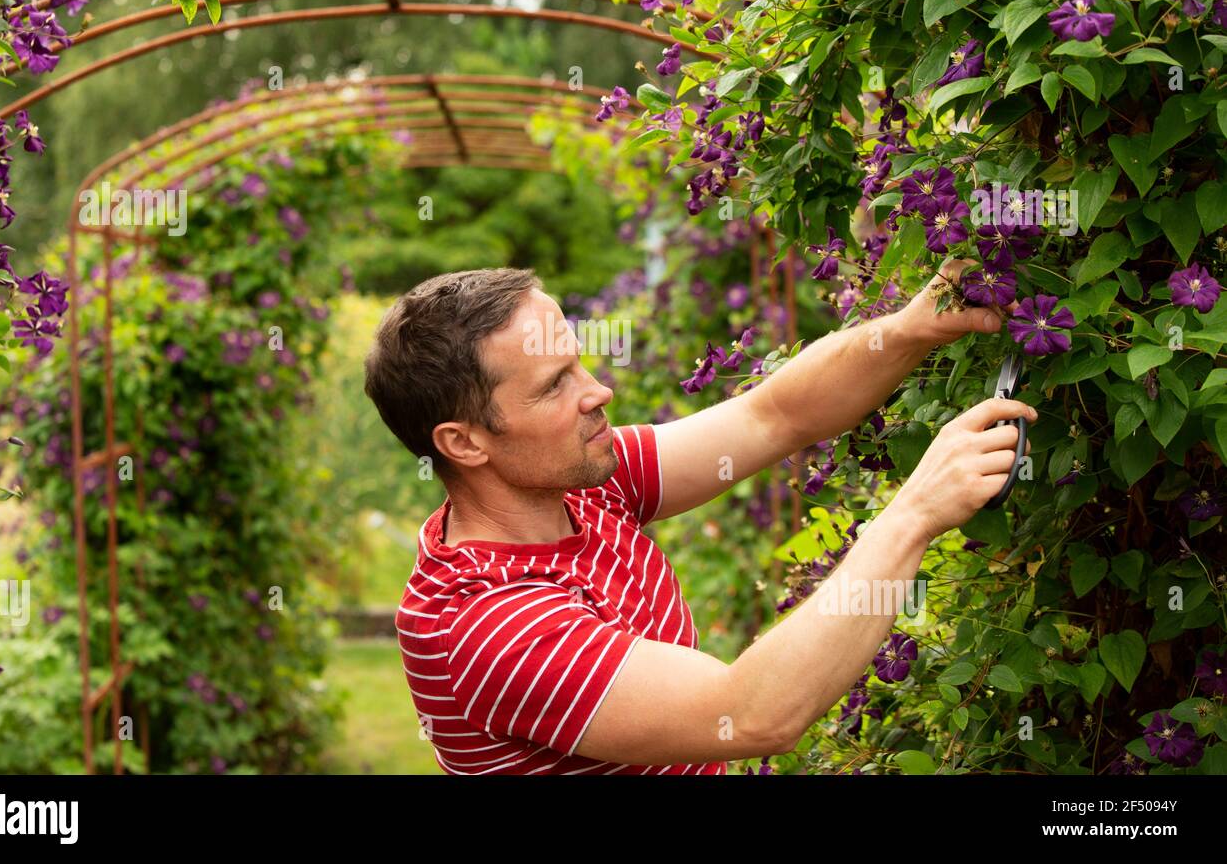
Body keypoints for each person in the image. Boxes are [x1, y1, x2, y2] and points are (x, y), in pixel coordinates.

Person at [363, 262, 1036, 774]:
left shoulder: (580, 484)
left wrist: (914, 325)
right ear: (464, 442)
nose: (598, 392)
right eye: (554, 385)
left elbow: (773, 416)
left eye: (578, 364)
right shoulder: (489, 627)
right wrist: (914, 513)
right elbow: (750, 714)